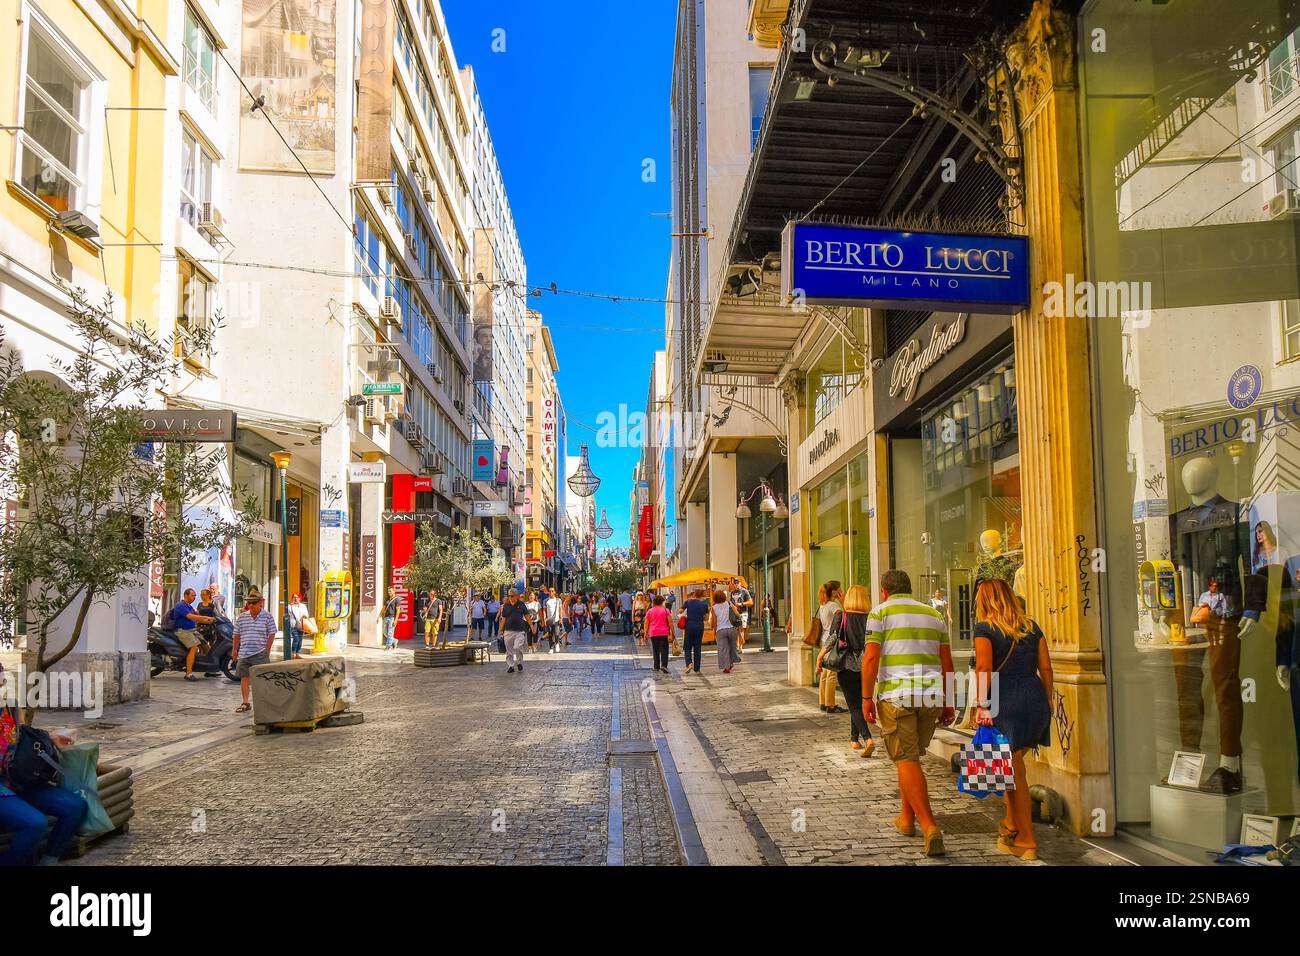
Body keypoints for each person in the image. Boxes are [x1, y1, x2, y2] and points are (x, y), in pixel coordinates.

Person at [860, 569, 955, 858]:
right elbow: (947, 662)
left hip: (897, 696)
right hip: (930, 696)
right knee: (909, 758)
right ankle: (906, 819)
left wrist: (866, 697)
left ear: (884, 591)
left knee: (906, 759)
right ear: (909, 589)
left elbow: (871, 657)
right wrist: (949, 701)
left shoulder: (879, 613)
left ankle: (929, 826)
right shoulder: (934, 615)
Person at [972, 578, 1053, 861]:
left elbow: (983, 667)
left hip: (1004, 700)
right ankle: (1011, 826)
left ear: (985, 601)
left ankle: (1027, 840)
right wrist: (1047, 700)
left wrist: (981, 705)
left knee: (1014, 772)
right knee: (1011, 768)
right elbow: (1046, 668)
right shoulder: (1031, 627)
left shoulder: (985, 629)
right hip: (1034, 697)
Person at [0, 668, 88, 866]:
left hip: (22, 780)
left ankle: (50, 859)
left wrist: (49, 738)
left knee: (76, 806)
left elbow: (22, 735)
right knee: (35, 822)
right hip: (3, 790)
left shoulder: (10, 707)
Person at [837, 585, 876, 757]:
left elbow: (832, 639)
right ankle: (854, 739)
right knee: (859, 702)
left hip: (847, 666)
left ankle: (868, 738)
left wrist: (820, 657)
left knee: (853, 705)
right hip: (866, 667)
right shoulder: (871, 618)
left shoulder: (842, 616)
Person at [231, 588, 277, 714]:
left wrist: (267, 650)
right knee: (244, 677)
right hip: (244, 652)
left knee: (262, 679)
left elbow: (272, 633)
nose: (251, 605)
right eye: (249, 603)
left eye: (254, 602)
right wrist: (234, 650)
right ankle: (245, 702)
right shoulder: (242, 617)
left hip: (260, 652)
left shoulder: (267, 616)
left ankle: (263, 703)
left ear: (260, 602)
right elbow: (236, 634)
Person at [816, 581, 847, 714]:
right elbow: (843, 618)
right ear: (835, 592)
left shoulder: (823, 606)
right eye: (839, 589)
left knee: (825, 673)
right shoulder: (834, 606)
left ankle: (823, 702)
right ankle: (831, 705)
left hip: (824, 640)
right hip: (832, 642)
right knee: (831, 674)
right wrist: (843, 601)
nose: (842, 590)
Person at [171, 587, 214, 682]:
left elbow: (198, 617)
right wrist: (206, 617)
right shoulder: (181, 605)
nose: (195, 598)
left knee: (206, 646)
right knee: (194, 647)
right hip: (183, 631)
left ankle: (207, 669)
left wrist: (211, 621)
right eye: (193, 596)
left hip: (192, 630)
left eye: (195, 596)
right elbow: (191, 616)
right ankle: (188, 673)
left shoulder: (189, 606)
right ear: (186, 595)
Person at [498, 589, 530, 674]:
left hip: (519, 630)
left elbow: (527, 615)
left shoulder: (521, 604)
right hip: (508, 630)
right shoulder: (506, 606)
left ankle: (519, 662)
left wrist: (531, 625)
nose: (510, 597)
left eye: (511, 596)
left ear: (516, 596)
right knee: (509, 650)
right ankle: (511, 666)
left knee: (517, 647)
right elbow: (503, 619)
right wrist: (501, 629)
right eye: (509, 596)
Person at [711, 589, 741, 673]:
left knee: (723, 649)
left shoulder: (714, 608)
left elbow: (714, 621)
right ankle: (732, 662)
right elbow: (737, 614)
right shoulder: (729, 603)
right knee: (732, 647)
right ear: (724, 597)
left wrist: (715, 631)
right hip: (732, 628)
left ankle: (726, 667)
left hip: (721, 630)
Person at [680, 589, 709, 674]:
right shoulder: (704, 604)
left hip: (689, 626)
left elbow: (680, 611)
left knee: (687, 646)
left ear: (694, 594)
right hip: (699, 626)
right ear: (701, 595)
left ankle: (689, 663)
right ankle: (697, 668)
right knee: (697, 647)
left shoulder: (688, 602)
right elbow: (706, 617)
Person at [645, 594, 675, 673]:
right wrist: (673, 632)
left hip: (653, 633)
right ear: (662, 602)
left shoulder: (650, 611)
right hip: (664, 633)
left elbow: (646, 623)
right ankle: (664, 665)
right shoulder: (666, 610)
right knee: (664, 649)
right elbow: (670, 622)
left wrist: (645, 633)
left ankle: (656, 666)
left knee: (655, 649)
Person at [730, 578, 754, 651]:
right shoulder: (732, 592)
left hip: (743, 612)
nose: (736, 584)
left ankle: (740, 646)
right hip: (734, 612)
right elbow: (731, 602)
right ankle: (737, 646)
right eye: (735, 583)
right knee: (735, 630)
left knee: (741, 629)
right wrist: (731, 606)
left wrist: (741, 604)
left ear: (740, 583)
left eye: (737, 583)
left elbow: (751, 602)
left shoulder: (744, 591)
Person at [286, 592, 310, 658]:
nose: (296, 599)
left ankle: (297, 653)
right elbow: (287, 615)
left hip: (301, 625)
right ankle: (293, 653)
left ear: (300, 598)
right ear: (292, 598)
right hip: (293, 625)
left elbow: (307, 615)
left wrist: (304, 616)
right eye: (294, 597)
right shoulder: (289, 606)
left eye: (297, 597)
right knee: (296, 638)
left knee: (300, 640)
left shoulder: (303, 606)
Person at [544, 589, 564, 653]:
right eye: (550, 591)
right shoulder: (546, 600)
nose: (551, 592)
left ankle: (557, 643)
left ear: (555, 592)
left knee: (556, 633)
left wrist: (561, 618)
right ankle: (551, 648)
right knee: (550, 634)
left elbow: (560, 609)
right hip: (549, 620)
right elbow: (544, 610)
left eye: (552, 591)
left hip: (556, 619)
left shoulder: (558, 600)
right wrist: (544, 619)